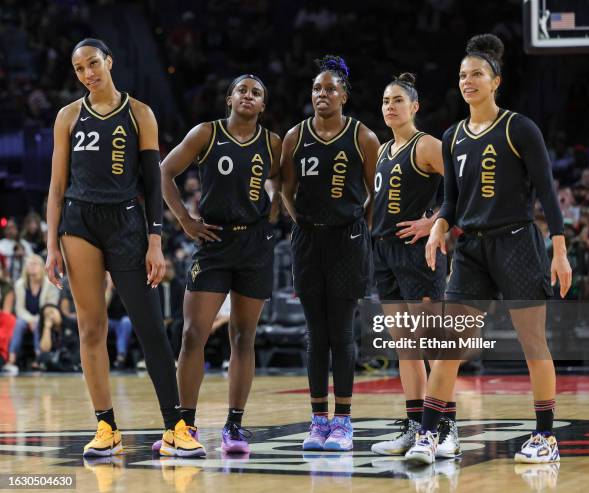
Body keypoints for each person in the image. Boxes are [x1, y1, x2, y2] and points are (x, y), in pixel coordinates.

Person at [409, 34, 572, 465]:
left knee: (532, 343)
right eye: (462, 75)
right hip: (472, 252)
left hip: (517, 243)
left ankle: (545, 436)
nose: (468, 81)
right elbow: (450, 200)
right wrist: (438, 227)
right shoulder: (451, 136)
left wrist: (559, 250)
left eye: (477, 74)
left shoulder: (520, 128)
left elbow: (547, 194)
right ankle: (428, 435)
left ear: (495, 80)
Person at [45, 38, 204, 457]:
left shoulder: (139, 113)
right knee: (90, 328)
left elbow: (153, 184)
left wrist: (155, 239)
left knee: (151, 328)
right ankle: (106, 427)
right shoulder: (67, 117)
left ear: (109, 61)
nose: (88, 74)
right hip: (78, 221)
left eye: (93, 64)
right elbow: (57, 186)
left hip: (128, 223)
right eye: (79, 69)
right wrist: (50, 245)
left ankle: (176, 427)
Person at [160, 74, 281, 454]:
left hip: (254, 244)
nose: (248, 95)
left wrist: (275, 207)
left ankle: (234, 426)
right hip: (212, 241)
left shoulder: (273, 143)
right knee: (193, 334)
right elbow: (164, 171)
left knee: (244, 337)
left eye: (257, 92)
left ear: (263, 105)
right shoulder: (205, 133)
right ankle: (185, 424)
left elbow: (282, 181)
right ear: (229, 98)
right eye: (242, 90)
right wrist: (184, 219)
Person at [280, 55, 380, 451]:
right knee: (314, 334)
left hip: (348, 239)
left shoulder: (363, 137)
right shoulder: (294, 136)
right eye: (317, 89)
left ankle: (344, 421)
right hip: (308, 240)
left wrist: (361, 227)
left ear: (344, 96)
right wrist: (297, 219)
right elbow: (286, 188)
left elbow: (376, 191)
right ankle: (318, 419)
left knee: (341, 332)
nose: (323, 94)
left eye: (330, 89)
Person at [368, 73, 459, 458]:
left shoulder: (426, 145)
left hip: (419, 253)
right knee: (406, 348)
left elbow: (463, 184)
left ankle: (447, 429)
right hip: (384, 252)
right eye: (386, 100)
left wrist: (434, 221)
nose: (391, 106)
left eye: (398, 100)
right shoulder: (384, 149)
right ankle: (415, 427)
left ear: (415, 107)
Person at [8, 254, 59, 372]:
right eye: (29, 264)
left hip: (44, 318)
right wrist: (31, 319)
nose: (31, 266)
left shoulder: (50, 284)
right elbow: (19, 309)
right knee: (19, 323)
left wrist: (36, 320)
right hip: (25, 318)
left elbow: (51, 307)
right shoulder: (20, 284)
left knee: (38, 325)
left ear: (42, 267)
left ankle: (39, 359)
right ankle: (11, 359)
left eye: (35, 263)